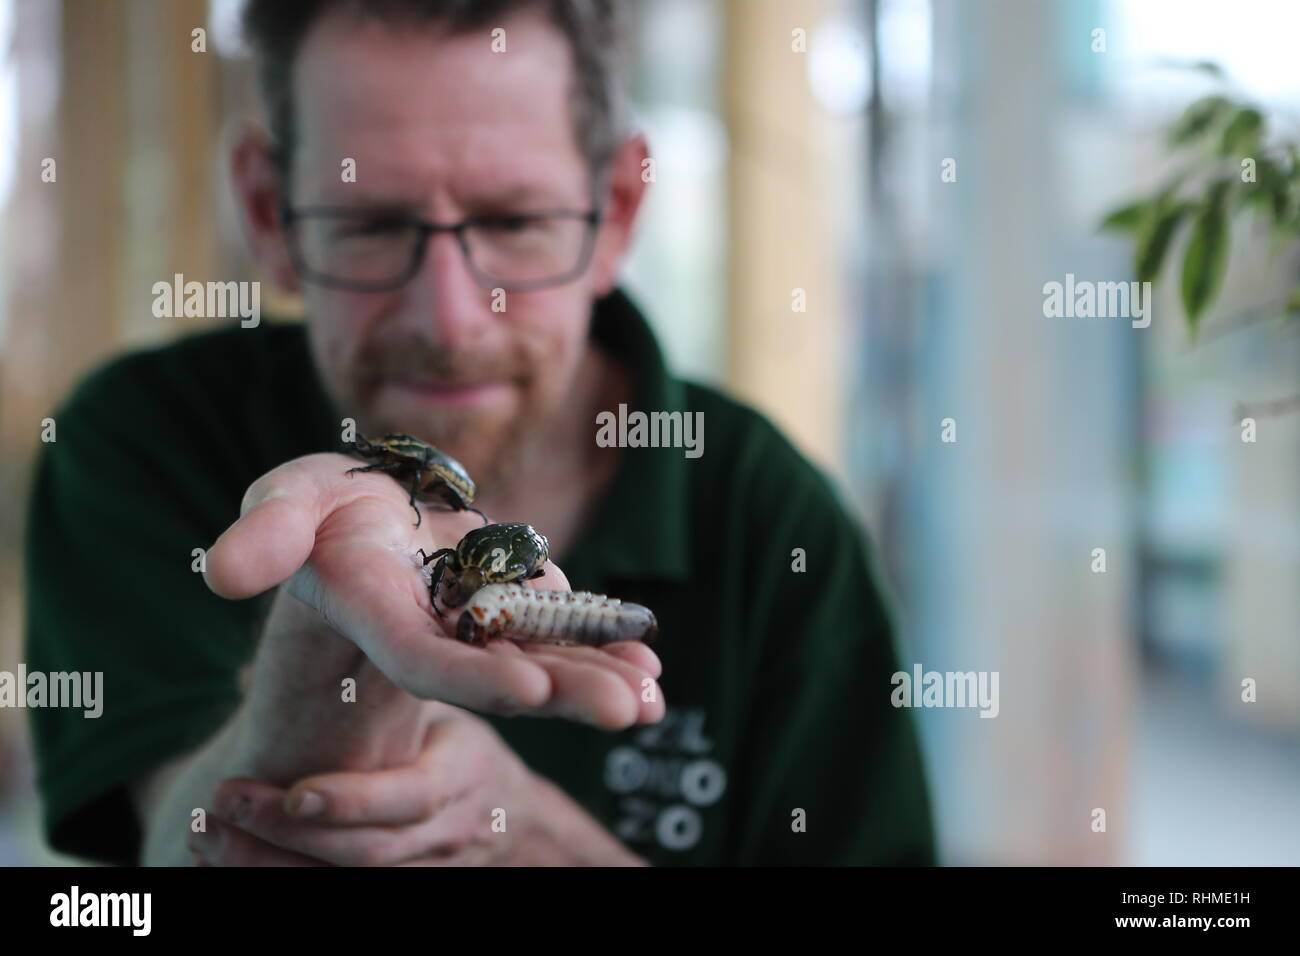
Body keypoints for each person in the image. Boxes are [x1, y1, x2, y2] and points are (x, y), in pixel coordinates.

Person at [24, 0, 936, 866]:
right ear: (268, 213)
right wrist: (312, 676)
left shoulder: (773, 521)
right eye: (371, 224)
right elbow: (160, 857)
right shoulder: (139, 438)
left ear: (618, 209)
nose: (451, 319)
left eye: (515, 222)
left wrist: (538, 842)